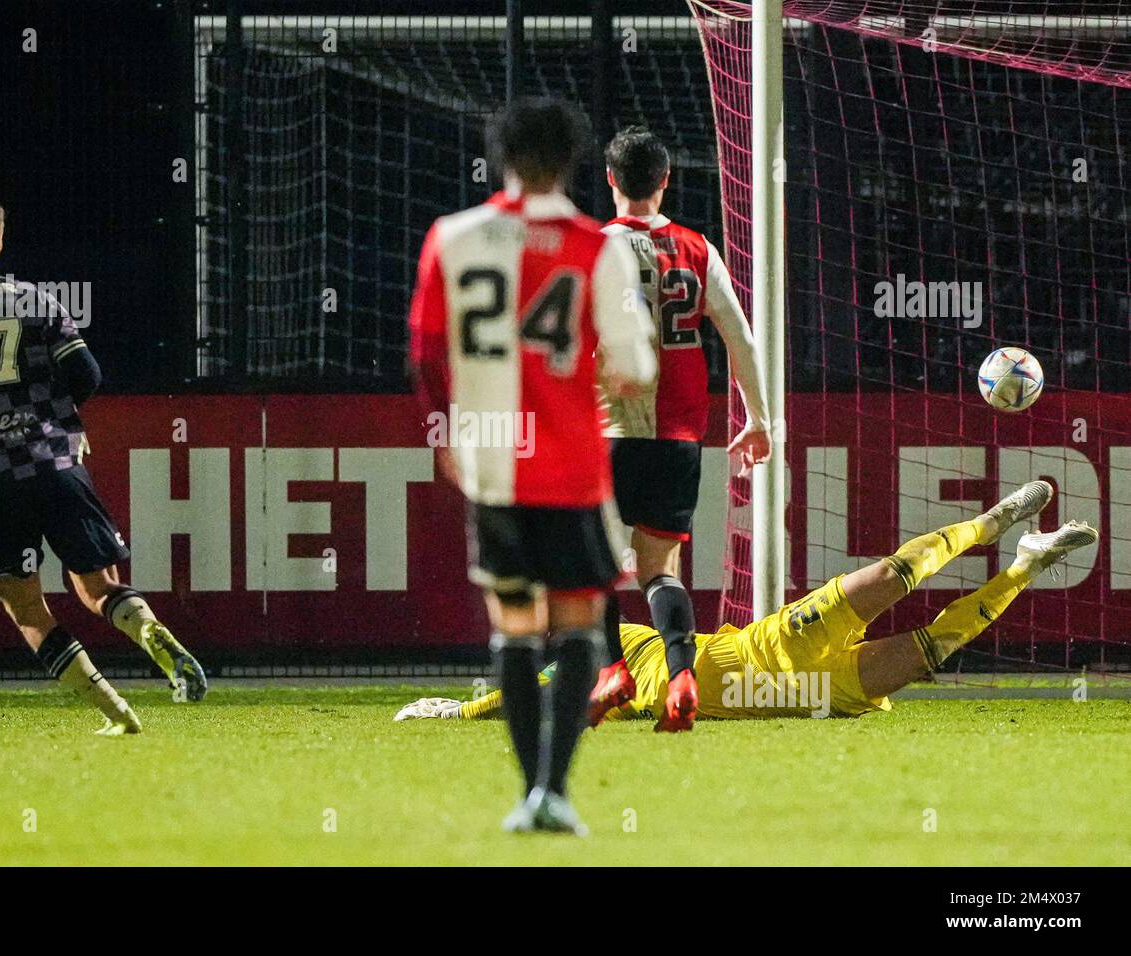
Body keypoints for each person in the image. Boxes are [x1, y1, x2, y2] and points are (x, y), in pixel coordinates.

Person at [0, 194, 207, 735]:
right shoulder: (35, 301)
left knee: (25, 605)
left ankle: (117, 713)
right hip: (55, 462)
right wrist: (53, 419)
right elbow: (88, 376)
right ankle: (153, 638)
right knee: (97, 585)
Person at [407, 99, 656, 834]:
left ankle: (526, 793)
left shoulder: (451, 238)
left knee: (513, 626)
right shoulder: (595, 247)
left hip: (492, 459)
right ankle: (554, 790)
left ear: (502, 157)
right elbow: (637, 367)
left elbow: (425, 352)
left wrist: (447, 431)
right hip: (574, 468)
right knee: (579, 627)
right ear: (574, 161)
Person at [396, 482, 1095, 723]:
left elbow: (551, 681)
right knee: (931, 649)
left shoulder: (631, 645)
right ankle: (1027, 565)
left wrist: (468, 706)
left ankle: (990, 523)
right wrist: (463, 709)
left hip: (775, 647)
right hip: (818, 696)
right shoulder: (619, 690)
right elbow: (546, 692)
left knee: (890, 575)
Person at [589, 126, 773, 732]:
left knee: (588, 566)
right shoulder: (698, 248)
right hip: (679, 436)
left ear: (611, 179)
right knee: (659, 571)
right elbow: (740, 337)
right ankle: (680, 677)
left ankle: (612, 668)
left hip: (610, 429)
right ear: (665, 181)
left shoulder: (592, 250)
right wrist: (758, 418)